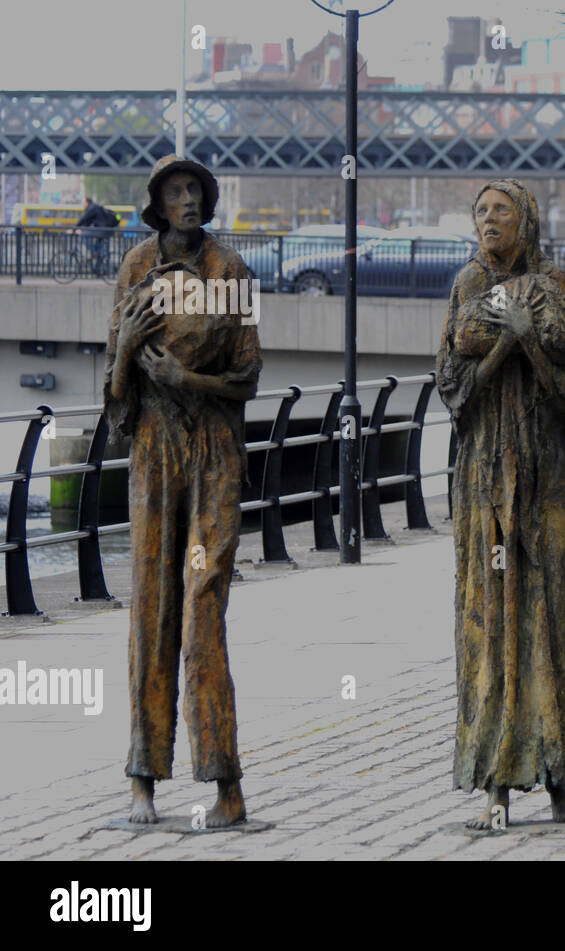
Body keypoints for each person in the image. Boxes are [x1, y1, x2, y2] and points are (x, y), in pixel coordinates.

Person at [105, 155, 262, 826]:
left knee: (202, 610)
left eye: (195, 189)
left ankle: (226, 783)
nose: (187, 199)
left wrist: (185, 380)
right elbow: (116, 398)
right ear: (157, 203)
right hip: (154, 454)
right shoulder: (135, 270)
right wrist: (123, 358)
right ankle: (143, 774)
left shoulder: (233, 273)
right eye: (175, 190)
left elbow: (250, 378)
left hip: (214, 458)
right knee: (151, 607)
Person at [436, 179, 565, 828]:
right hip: (485, 479)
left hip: (546, 477)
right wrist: (508, 341)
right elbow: (454, 391)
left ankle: (555, 774)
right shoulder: (467, 287)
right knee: (491, 621)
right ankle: (496, 782)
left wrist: (532, 339)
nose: (488, 218)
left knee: (551, 621)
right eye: (481, 210)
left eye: (501, 210)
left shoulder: (553, 283)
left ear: (525, 219)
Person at [76, 196, 119, 274]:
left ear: (86, 202)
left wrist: (74, 228)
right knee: (100, 249)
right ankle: (98, 269)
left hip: (103, 230)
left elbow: (84, 219)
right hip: (106, 231)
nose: (83, 205)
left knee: (84, 235)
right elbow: (88, 221)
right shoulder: (96, 207)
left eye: (83, 203)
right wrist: (81, 228)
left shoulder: (92, 208)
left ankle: (93, 253)